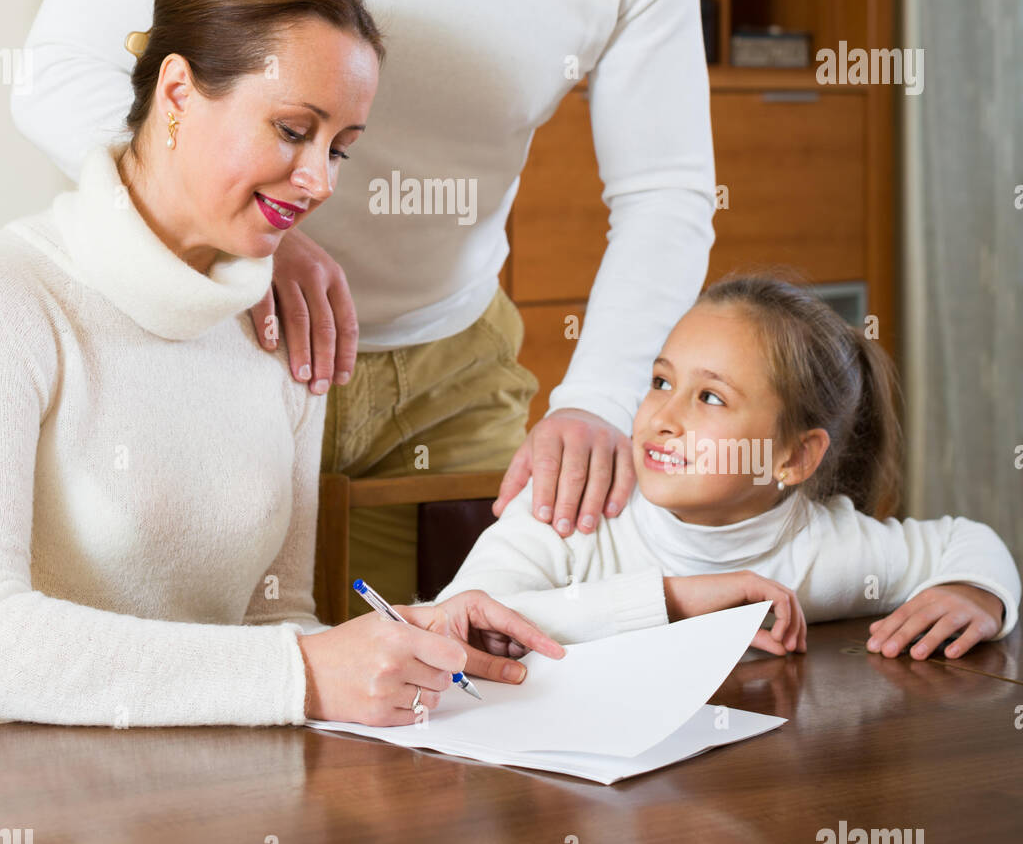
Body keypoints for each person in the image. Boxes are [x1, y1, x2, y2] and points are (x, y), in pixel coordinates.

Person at [12, 0, 715, 617]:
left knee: (462, 697)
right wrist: (245, 242)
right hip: (209, 342)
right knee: (214, 706)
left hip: (451, 372)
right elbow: (59, 71)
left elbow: (665, 192)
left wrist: (600, 399)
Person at [0, 0, 569, 738]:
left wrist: (402, 644)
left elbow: (277, 630)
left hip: (213, 799)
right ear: (177, 94)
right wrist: (302, 672)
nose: (321, 181)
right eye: (291, 129)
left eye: (339, 147)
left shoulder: (279, 329)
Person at [434, 274, 1021, 661]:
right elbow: (459, 618)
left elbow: (968, 542)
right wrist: (677, 599)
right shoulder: (571, 509)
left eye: (710, 397)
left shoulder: (829, 547)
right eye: (660, 381)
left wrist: (975, 591)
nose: (661, 415)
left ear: (792, 458)